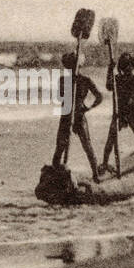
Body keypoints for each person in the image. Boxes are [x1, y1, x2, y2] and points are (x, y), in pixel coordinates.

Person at [51, 52, 103, 181]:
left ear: (78, 65)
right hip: (66, 116)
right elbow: (60, 97)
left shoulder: (85, 80)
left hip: (79, 116)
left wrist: (87, 108)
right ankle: (55, 176)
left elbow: (99, 96)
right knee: (60, 147)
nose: (71, 68)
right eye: (69, 65)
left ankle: (96, 175)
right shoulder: (63, 80)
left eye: (74, 65)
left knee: (87, 146)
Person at [102, 53, 134, 172]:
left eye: (128, 65)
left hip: (132, 114)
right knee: (110, 140)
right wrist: (109, 69)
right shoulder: (117, 79)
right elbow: (108, 86)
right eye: (124, 66)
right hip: (119, 114)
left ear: (132, 66)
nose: (127, 68)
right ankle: (105, 164)